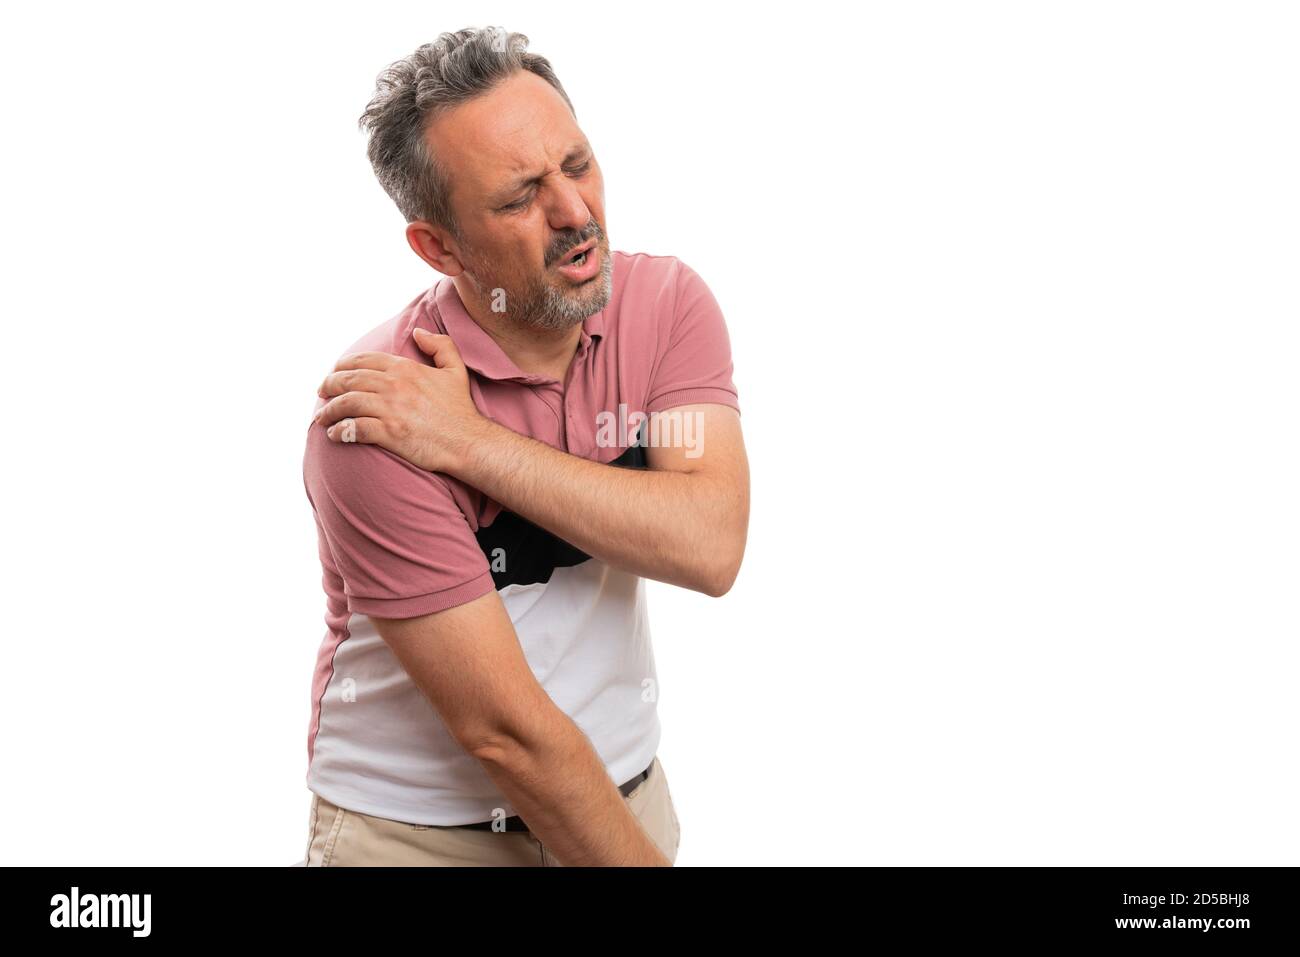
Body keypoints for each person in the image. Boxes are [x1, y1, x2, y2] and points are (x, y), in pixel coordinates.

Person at [299, 26, 749, 866]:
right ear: (438, 246)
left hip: (627, 798)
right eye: (518, 198)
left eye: (577, 166)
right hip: (419, 839)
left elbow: (710, 542)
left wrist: (470, 444)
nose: (576, 215)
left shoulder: (668, 308)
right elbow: (506, 734)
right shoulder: (373, 417)